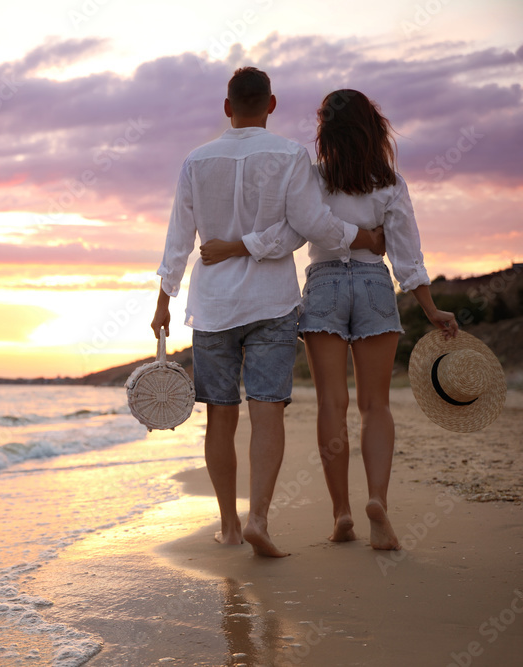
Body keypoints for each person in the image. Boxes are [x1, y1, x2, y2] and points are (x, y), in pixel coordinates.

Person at [200, 89, 458, 550]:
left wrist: (235, 247)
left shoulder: (313, 178)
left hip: (324, 286)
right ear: (373, 130)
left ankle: (342, 513)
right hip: (374, 283)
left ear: (326, 132)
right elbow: (407, 256)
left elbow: (294, 233)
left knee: (332, 405)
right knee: (375, 405)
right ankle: (376, 500)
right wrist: (430, 308)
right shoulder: (390, 183)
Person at [151, 68, 384, 558]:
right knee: (267, 410)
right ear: (271, 104)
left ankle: (230, 526)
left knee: (220, 415)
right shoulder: (291, 156)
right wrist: (361, 237)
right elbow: (308, 226)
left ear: (227, 107)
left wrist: (163, 301)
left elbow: (178, 238)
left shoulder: (196, 161)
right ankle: (259, 518)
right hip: (271, 302)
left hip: (212, 307)